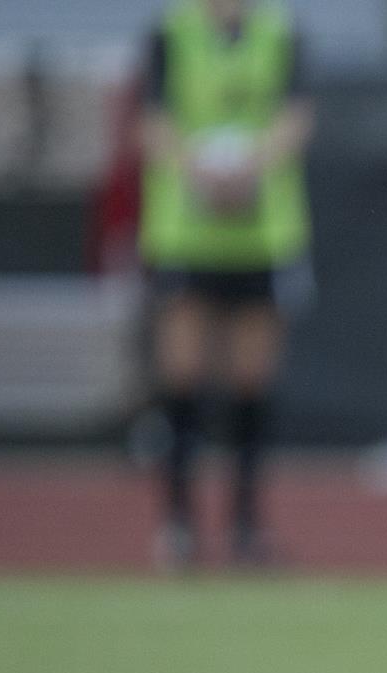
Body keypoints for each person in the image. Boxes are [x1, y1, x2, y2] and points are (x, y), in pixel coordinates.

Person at [138, 0, 314, 568]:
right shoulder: (172, 33)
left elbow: (297, 115)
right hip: (187, 235)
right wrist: (200, 171)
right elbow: (151, 119)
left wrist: (251, 167)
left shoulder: (279, 33)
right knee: (182, 379)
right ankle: (179, 527)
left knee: (251, 383)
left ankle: (245, 528)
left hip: (263, 235)